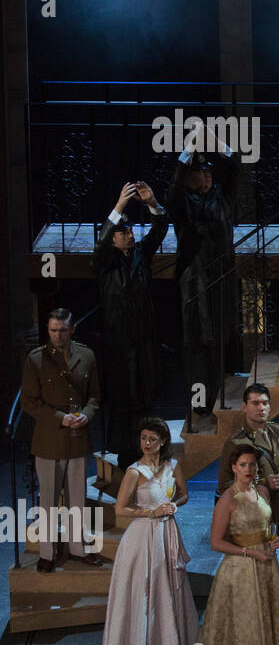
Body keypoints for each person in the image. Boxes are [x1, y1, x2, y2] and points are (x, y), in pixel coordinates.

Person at [187, 444, 279, 645]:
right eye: (243, 465)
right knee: (243, 630)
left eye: (252, 464)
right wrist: (251, 553)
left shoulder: (262, 491)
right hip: (239, 572)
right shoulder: (227, 499)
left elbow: (269, 526)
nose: (249, 469)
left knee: (268, 623)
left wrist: (274, 540)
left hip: (267, 567)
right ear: (233, 467)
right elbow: (216, 543)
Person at [101, 418, 200, 645]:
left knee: (168, 591)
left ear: (163, 442)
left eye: (152, 439)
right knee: (145, 593)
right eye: (143, 438)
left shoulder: (172, 466)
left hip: (167, 534)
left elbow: (183, 495)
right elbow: (120, 509)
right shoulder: (134, 472)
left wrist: (174, 506)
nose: (146, 443)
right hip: (142, 536)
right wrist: (151, 512)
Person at [90, 182, 169, 468]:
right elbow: (100, 245)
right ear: (113, 238)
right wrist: (120, 206)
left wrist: (152, 202)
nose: (131, 235)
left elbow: (159, 230)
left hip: (144, 343)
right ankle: (125, 464)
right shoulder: (104, 263)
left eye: (131, 230)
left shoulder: (139, 256)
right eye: (124, 232)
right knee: (123, 405)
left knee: (145, 401)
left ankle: (147, 458)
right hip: (119, 346)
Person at [20, 309, 103, 572]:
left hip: (77, 437)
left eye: (62, 330)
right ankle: (47, 553)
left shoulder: (86, 356)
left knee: (77, 497)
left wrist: (86, 416)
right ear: (48, 330)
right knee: (48, 499)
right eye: (53, 330)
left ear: (72, 329)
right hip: (48, 439)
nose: (57, 335)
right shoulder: (36, 359)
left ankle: (77, 548)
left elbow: (94, 397)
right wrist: (60, 418)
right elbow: (29, 402)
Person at [167, 142, 240, 434]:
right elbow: (171, 191)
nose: (207, 177)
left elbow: (235, 171)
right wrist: (186, 155)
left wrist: (219, 144)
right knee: (198, 342)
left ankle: (221, 396)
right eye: (200, 173)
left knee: (222, 336)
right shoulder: (182, 204)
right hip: (195, 280)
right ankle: (199, 403)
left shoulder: (222, 199)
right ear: (189, 178)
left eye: (209, 172)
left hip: (221, 276)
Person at [218, 384, 279, 541]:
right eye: (255, 403)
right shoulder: (236, 441)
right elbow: (223, 485)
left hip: (274, 512)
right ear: (244, 407)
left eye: (265, 403)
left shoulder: (277, 431)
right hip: (248, 516)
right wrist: (263, 482)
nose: (261, 408)